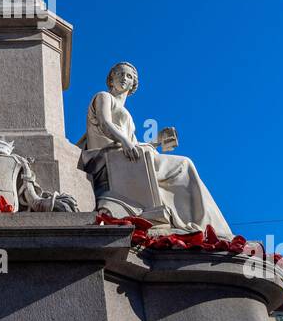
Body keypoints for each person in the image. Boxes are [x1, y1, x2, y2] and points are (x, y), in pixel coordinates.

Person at [78, 62, 231, 236]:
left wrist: (157, 141)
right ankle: (204, 225)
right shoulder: (104, 96)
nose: (124, 78)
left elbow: (133, 144)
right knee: (184, 165)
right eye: (120, 74)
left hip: (125, 156)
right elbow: (105, 123)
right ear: (111, 78)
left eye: (129, 76)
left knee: (183, 166)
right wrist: (125, 142)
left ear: (132, 85)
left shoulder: (127, 114)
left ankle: (203, 225)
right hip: (108, 158)